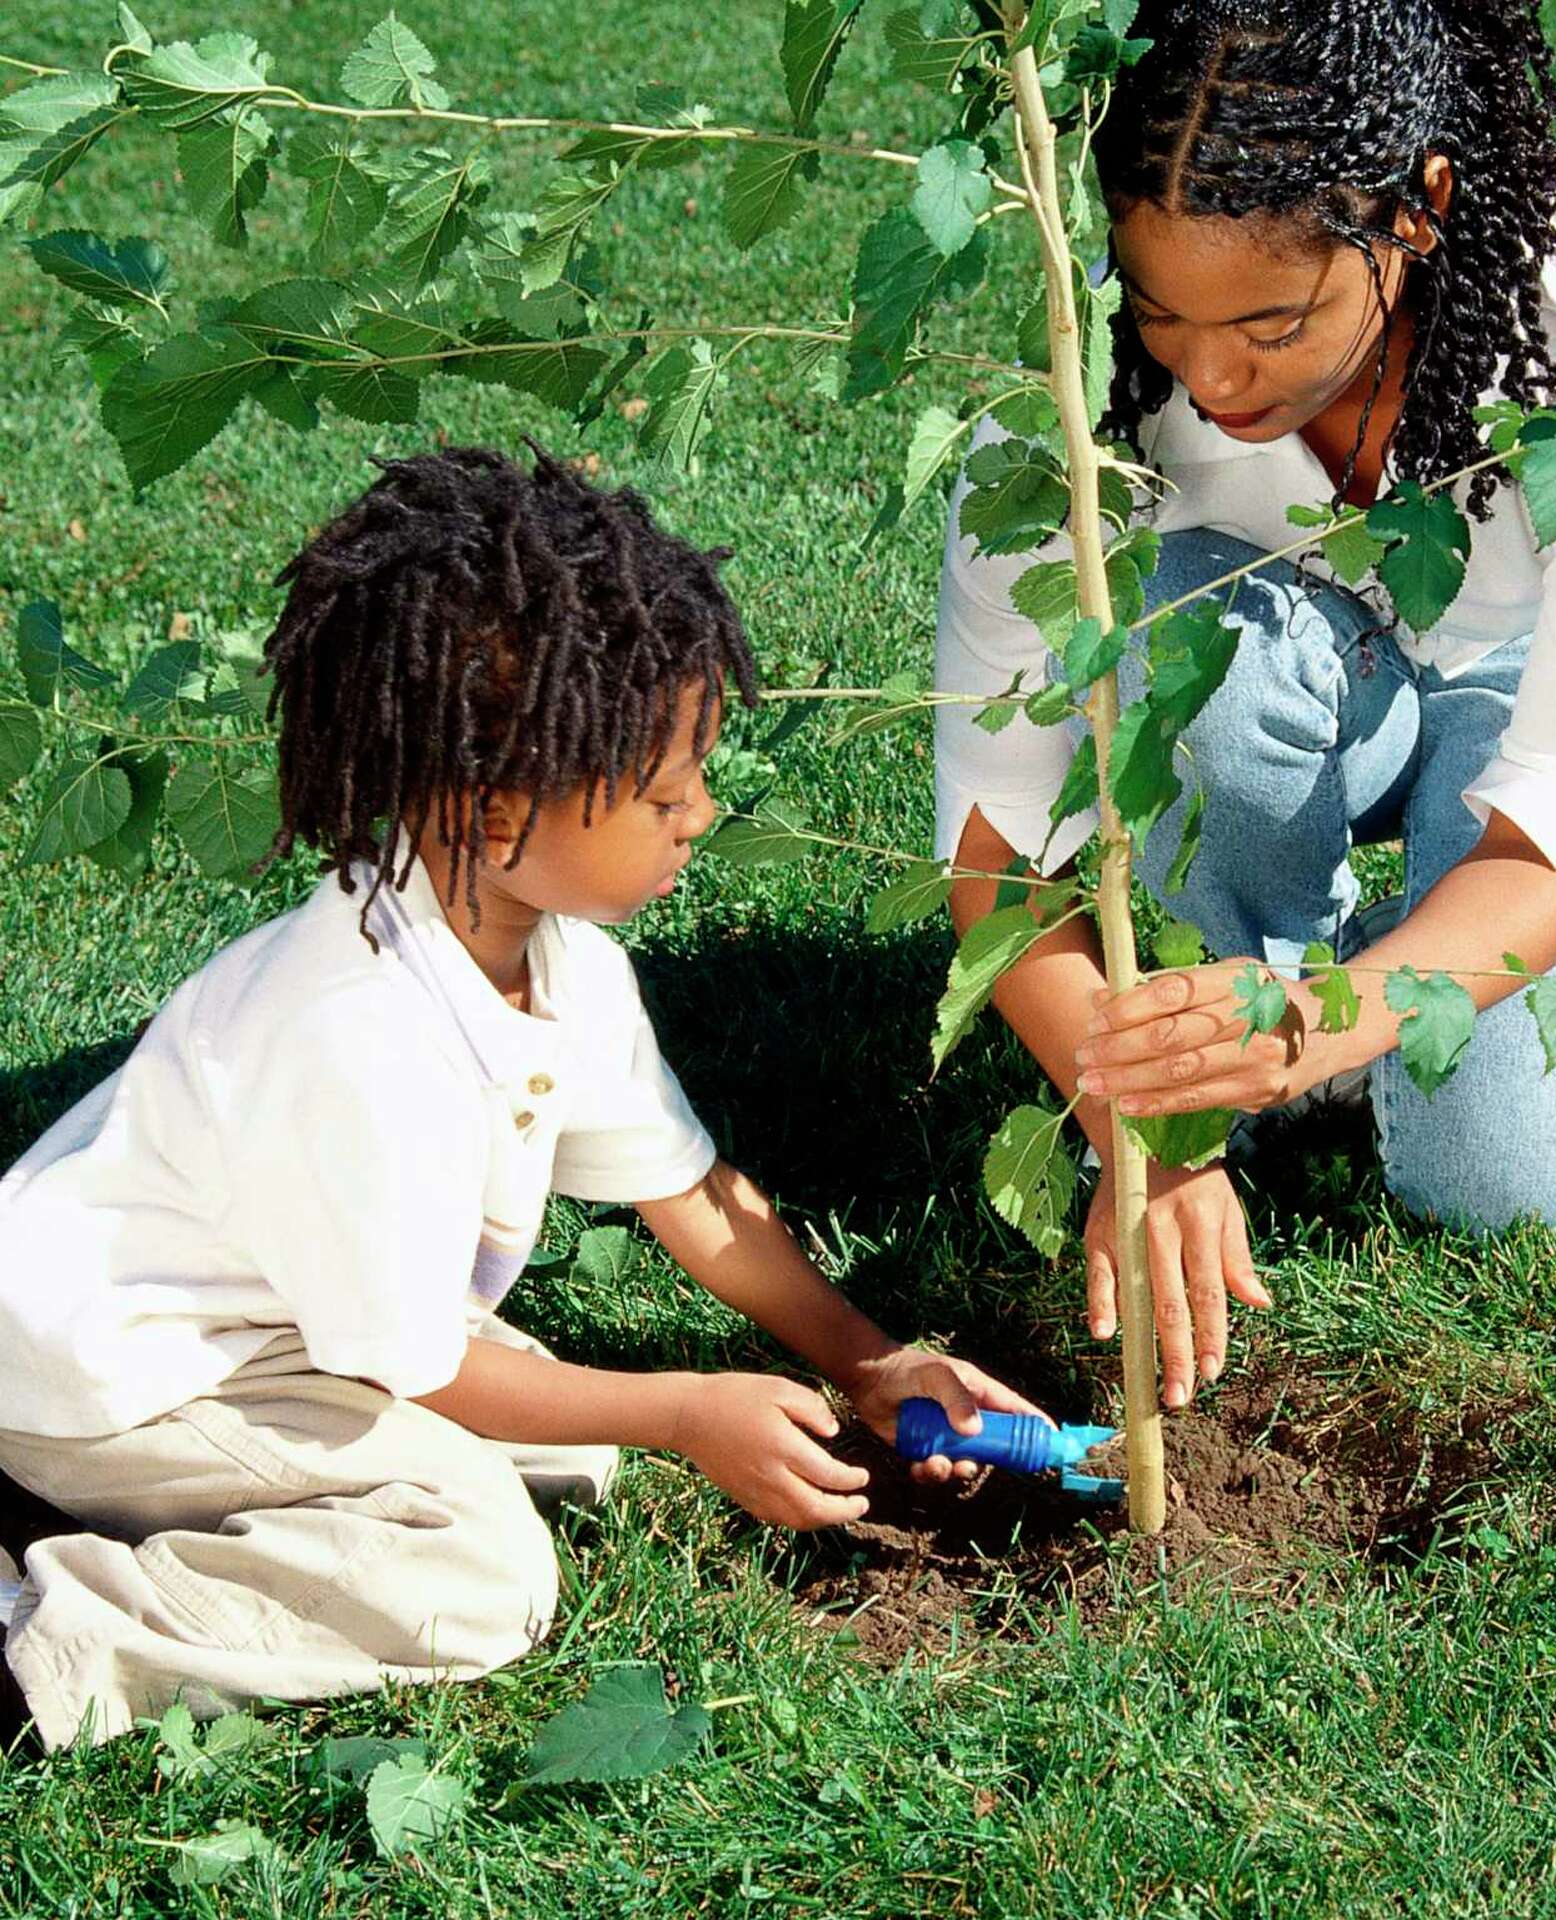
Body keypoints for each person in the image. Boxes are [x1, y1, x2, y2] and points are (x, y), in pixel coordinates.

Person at [0, 445, 1037, 1755]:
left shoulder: (560, 960)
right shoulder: (359, 1040)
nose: (701, 816)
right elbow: (424, 1368)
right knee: (476, 1570)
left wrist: (873, 1363)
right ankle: (51, 1626)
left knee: (573, 1440)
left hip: (281, 1324)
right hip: (112, 1381)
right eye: (665, 794)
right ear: (496, 817)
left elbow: (696, 1203)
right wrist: (677, 1407)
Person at [937, 0, 1556, 1413]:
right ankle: (1229, 1032)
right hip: (1284, 671)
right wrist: (1138, 1117)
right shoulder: (1065, 415)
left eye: (1273, 325)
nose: (1209, 373)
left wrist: (1309, 1028)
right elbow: (997, 846)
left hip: (1525, 697)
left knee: (1516, 1174)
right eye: (1164, 316)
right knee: (1202, 655)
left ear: (1419, 209)